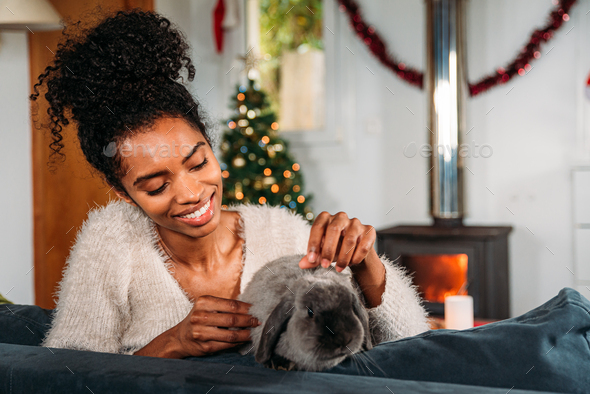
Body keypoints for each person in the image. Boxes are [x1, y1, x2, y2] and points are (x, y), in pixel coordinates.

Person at [30, 9, 430, 359]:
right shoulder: (111, 241)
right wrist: (171, 344)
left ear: (211, 146)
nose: (190, 194)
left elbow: (410, 345)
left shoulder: (282, 234)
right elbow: (67, 372)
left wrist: (367, 267)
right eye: (155, 187)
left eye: (198, 162)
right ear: (124, 194)